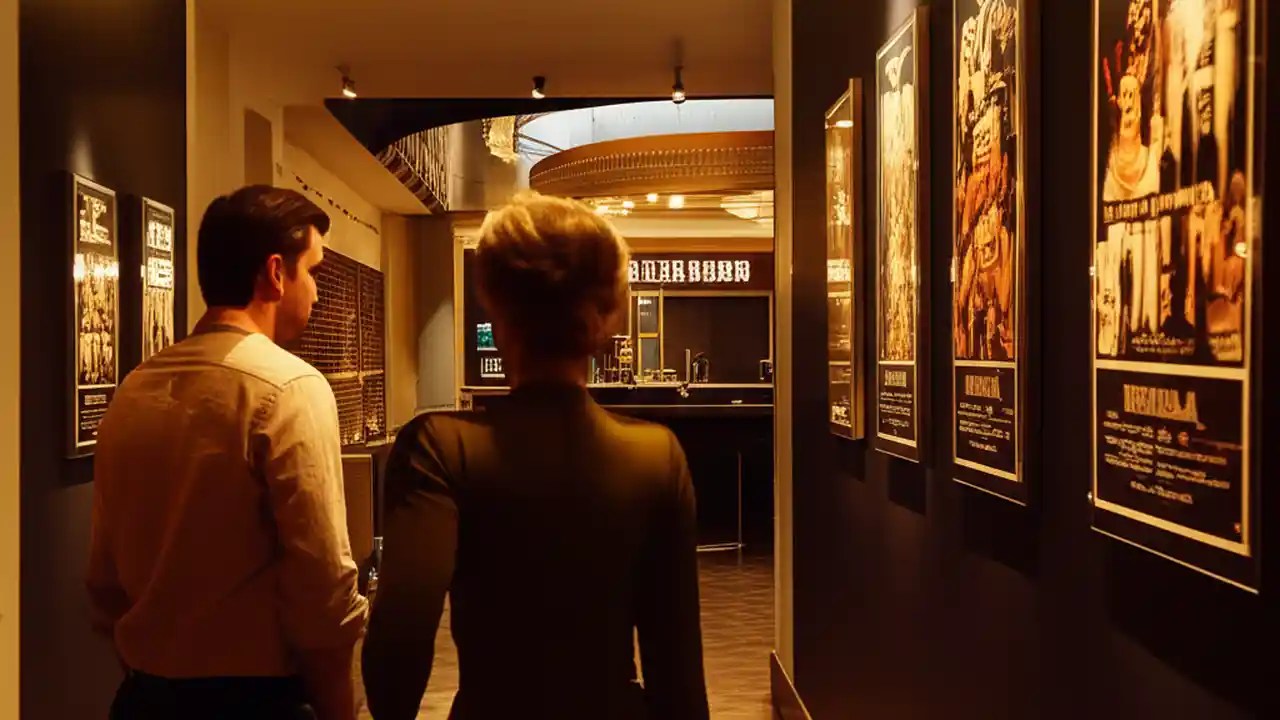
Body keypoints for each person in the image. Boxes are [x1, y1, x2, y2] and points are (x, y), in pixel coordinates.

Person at [361, 192, 709, 719]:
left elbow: (401, 638)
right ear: (607, 315)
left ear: (497, 309)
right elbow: (677, 668)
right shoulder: (656, 456)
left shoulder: (439, 447)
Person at [87, 185, 368, 720]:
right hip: (256, 700)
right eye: (312, 272)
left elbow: (104, 580)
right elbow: (323, 591)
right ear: (275, 274)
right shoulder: (290, 388)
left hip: (143, 699)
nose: (316, 295)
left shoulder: (134, 389)